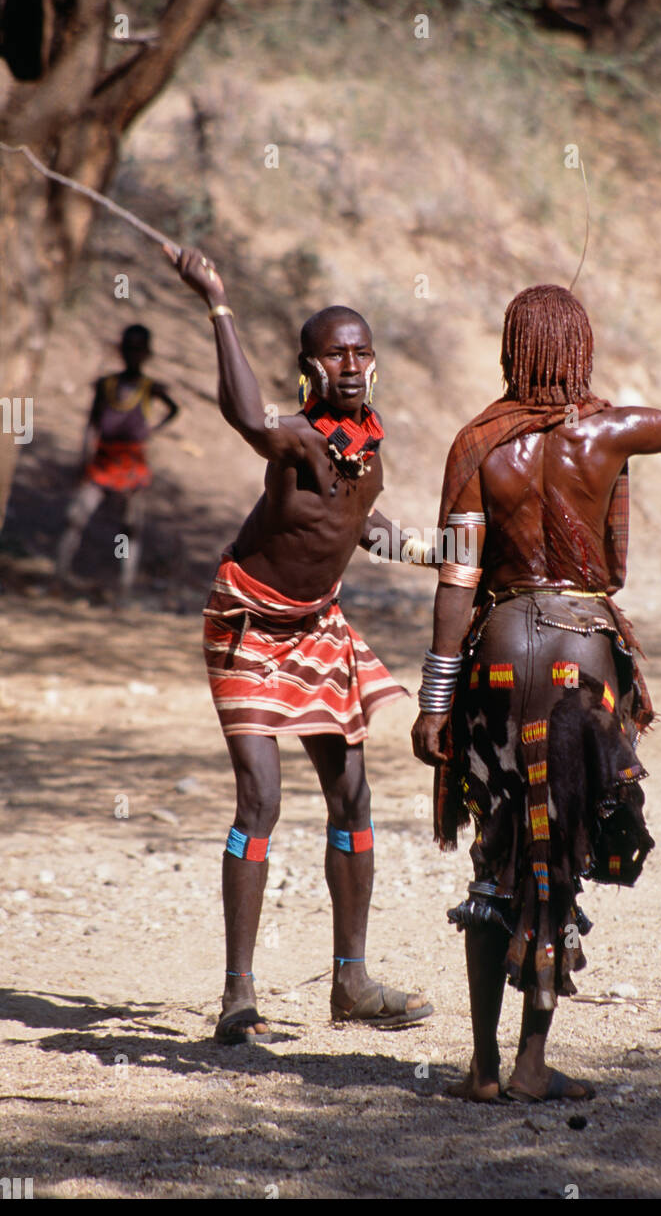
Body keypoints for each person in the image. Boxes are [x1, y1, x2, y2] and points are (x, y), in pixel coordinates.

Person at [411, 237, 661, 1103]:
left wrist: (434, 701)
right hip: (581, 657)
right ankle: (534, 1064)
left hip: (497, 655)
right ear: (576, 351)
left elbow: (457, 581)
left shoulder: (476, 445)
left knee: (498, 851)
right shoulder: (611, 430)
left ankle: (484, 1067)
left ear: (512, 349)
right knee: (555, 851)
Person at [165, 244, 434, 1043]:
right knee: (262, 799)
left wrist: (444, 553)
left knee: (352, 796)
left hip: (319, 624)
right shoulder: (295, 441)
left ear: (373, 364)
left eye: (361, 351)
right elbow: (247, 416)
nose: (350, 363)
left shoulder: (368, 448)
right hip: (247, 620)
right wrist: (217, 302)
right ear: (311, 369)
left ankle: (350, 983)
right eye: (334, 353)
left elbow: (361, 528)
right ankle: (237, 997)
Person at [54, 324, 179, 594]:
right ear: (120, 349)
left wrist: (152, 430)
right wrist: (83, 459)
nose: (132, 353)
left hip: (132, 464)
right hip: (101, 460)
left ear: (146, 353)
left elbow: (173, 409)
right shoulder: (106, 385)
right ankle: (58, 577)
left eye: (137, 349)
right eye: (128, 347)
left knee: (130, 526)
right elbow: (92, 423)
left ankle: (125, 587)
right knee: (76, 515)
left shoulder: (149, 388)